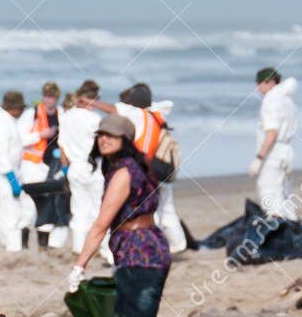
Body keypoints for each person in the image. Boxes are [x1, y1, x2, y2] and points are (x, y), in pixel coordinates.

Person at [68, 112, 170, 317]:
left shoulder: (124, 172)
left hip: (138, 251)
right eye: (100, 135)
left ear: (125, 140)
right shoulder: (139, 168)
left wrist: (79, 264)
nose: (104, 139)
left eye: (111, 135)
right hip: (150, 247)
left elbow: (102, 222)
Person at [81, 84, 184, 254]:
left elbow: (114, 110)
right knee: (165, 207)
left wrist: (90, 102)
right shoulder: (157, 115)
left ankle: (112, 251)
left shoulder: (135, 114)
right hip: (158, 167)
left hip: (140, 169)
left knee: (127, 209)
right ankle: (178, 244)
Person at [21, 82, 69, 250]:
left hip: (53, 166)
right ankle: (24, 245)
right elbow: (20, 139)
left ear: (57, 98)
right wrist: (40, 135)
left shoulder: (62, 113)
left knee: (48, 203)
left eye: (53, 97)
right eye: (47, 96)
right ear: (43, 96)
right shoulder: (31, 114)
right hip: (32, 165)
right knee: (28, 205)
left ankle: (43, 245)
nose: (49, 100)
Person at [60, 82, 105, 255]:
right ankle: (102, 248)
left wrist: (65, 169)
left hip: (74, 167)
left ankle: (79, 247)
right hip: (92, 167)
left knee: (79, 209)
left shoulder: (66, 117)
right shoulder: (95, 119)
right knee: (99, 210)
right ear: (92, 99)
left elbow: (62, 146)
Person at [0, 91, 30, 252]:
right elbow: (1, 154)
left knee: (0, 209)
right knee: (12, 211)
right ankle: (13, 248)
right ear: (14, 108)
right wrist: (12, 179)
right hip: (1, 173)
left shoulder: (6, 121)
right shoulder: (3, 124)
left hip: (3, 173)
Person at [251, 68, 299, 220]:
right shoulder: (288, 100)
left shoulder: (270, 100)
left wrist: (259, 158)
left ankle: (279, 234)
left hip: (274, 153)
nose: (257, 87)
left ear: (270, 82)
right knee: (285, 196)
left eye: (260, 83)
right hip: (288, 151)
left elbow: (272, 133)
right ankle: (293, 229)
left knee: (269, 194)